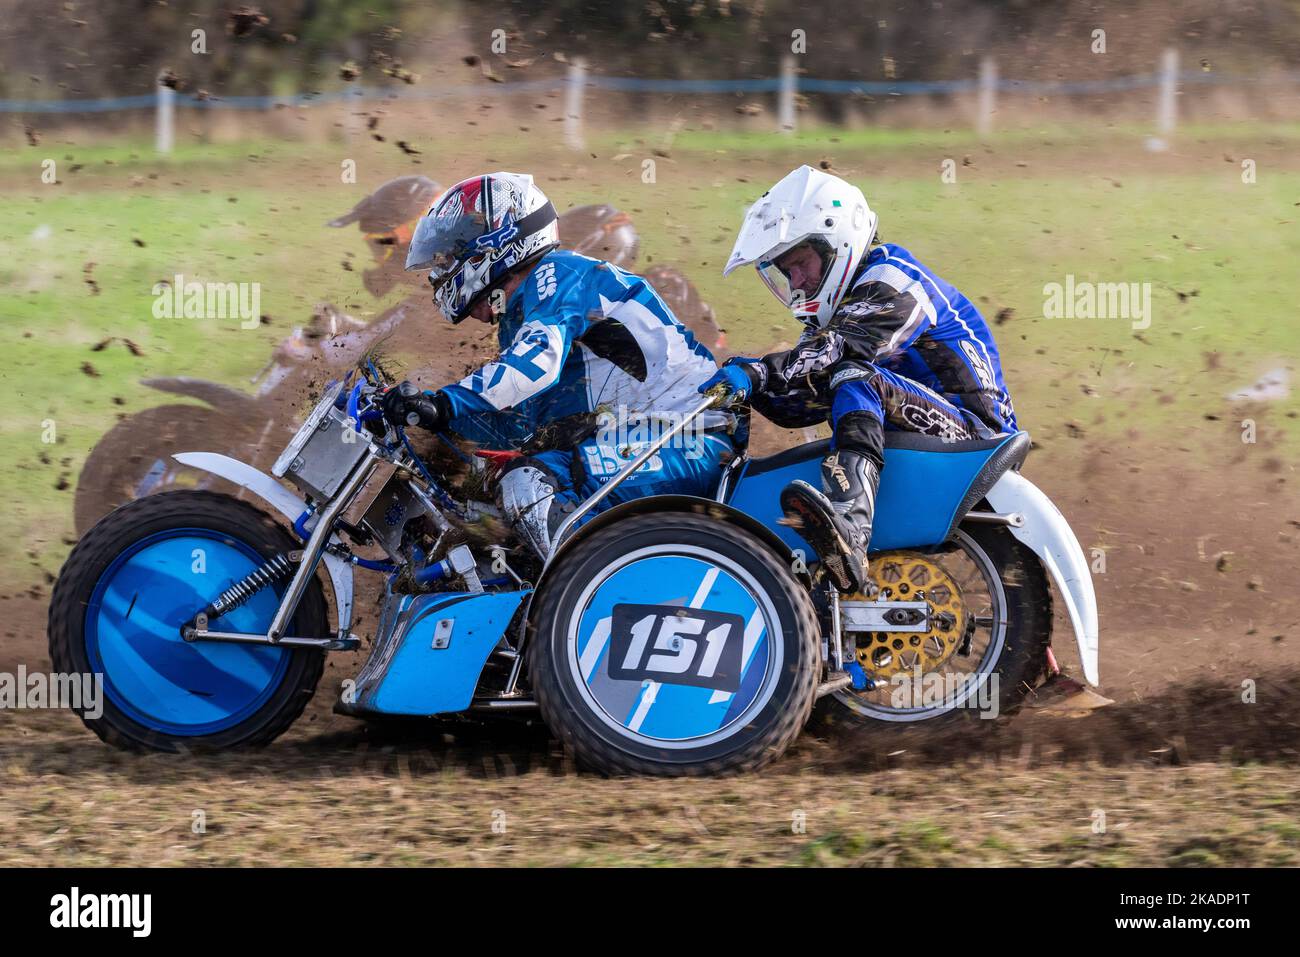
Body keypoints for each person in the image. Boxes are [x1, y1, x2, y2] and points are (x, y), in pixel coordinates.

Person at [383, 172, 734, 560]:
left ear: (495, 244)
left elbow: (536, 366)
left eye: (449, 257)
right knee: (490, 497)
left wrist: (445, 403)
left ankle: (573, 610)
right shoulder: (524, 314)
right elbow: (522, 429)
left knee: (528, 485)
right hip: (652, 439)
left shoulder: (557, 275)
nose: (441, 272)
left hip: (691, 439)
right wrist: (429, 422)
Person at [701, 165, 1017, 594]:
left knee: (853, 375)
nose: (797, 280)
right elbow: (796, 402)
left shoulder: (893, 280)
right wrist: (742, 387)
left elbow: (839, 352)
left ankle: (850, 524)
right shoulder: (838, 316)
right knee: (792, 385)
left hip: (974, 430)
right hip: (921, 425)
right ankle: (716, 508)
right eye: (785, 271)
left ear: (836, 241)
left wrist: (760, 371)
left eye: (801, 263)